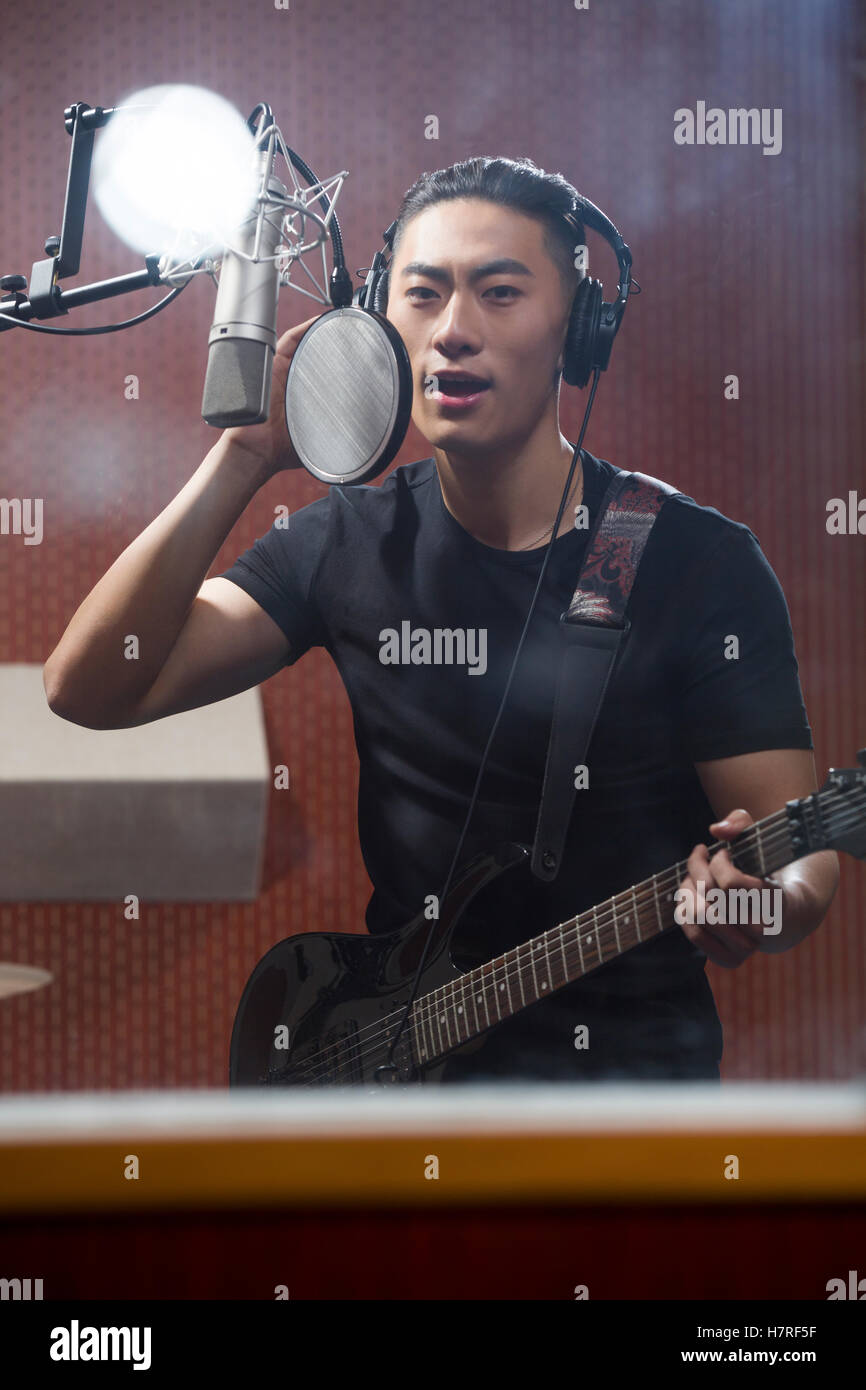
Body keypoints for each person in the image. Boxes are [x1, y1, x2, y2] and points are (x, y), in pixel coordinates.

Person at [43, 156, 839, 1084]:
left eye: (500, 294)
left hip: (629, 1101)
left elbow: (802, 857)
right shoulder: (345, 538)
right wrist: (244, 457)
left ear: (575, 332)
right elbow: (90, 689)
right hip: (395, 1083)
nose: (453, 331)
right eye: (423, 296)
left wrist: (757, 908)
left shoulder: (695, 562)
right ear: (381, 326)